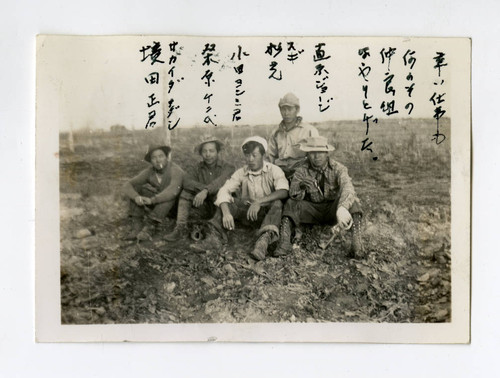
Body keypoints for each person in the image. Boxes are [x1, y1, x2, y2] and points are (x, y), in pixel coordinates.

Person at [274, 136, 364, 258]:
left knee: (353, 203)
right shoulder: (301, 170)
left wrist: (342, 208)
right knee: (290, 203)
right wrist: (301, 187)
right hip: (311, 211)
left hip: (333, 211)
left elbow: (348, 188)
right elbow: (293, 193)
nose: (317, 157)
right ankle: (284, 243)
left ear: (327, 153)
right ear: (307, 154)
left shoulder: (339, 168)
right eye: (312, 153)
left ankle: (357, 246)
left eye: (320, 152)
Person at [203, 136, 289, 260]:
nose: (250, 159)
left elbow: (283, 191)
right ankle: (213, 238)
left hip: (266, 216)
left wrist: (259, 201)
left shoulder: (273, 170)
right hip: (247, 212)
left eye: (254, 155)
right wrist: (226, 213)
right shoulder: (241, 172)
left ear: (263, 155)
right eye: (247, 155)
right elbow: (224, 190)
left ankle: (262, 243)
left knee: (277, 203)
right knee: (227, 203)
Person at [164, 136, 235, 241]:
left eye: (211, 151)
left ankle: (214, 232)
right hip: (205, 206)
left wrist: (206, 191)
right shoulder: (196, 168)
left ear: (217, 152)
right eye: (204, 151)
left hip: (222, 207)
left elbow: (221, 181)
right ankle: (180, 228)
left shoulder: (228, 167)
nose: (208, 154)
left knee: (221, 193)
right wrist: (204, 191)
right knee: (186, 192)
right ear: (201, 153)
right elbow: (187, 182)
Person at [122, 144, 184, 241]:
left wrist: (152, 200)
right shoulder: (150, 171)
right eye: (154, 158)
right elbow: (127, 185)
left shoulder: (175, 170)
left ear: (166, 157)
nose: (158, 160)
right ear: (150, 161)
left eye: (161, 156)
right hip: (160, 205)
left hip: (177, 207)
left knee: (169, 195)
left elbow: (173, 191)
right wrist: (136, 197)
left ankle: (150, 226)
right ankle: (137, 226)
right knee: (137, 187)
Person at [268, 92, 320, 180]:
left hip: (302, 173)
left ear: (297, 110)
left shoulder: (309, 130)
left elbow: (317, 156)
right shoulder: (276, 132)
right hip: (280, 173)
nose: (286, 113)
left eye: (289, 109)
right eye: (283, 109)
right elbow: (270, 157)